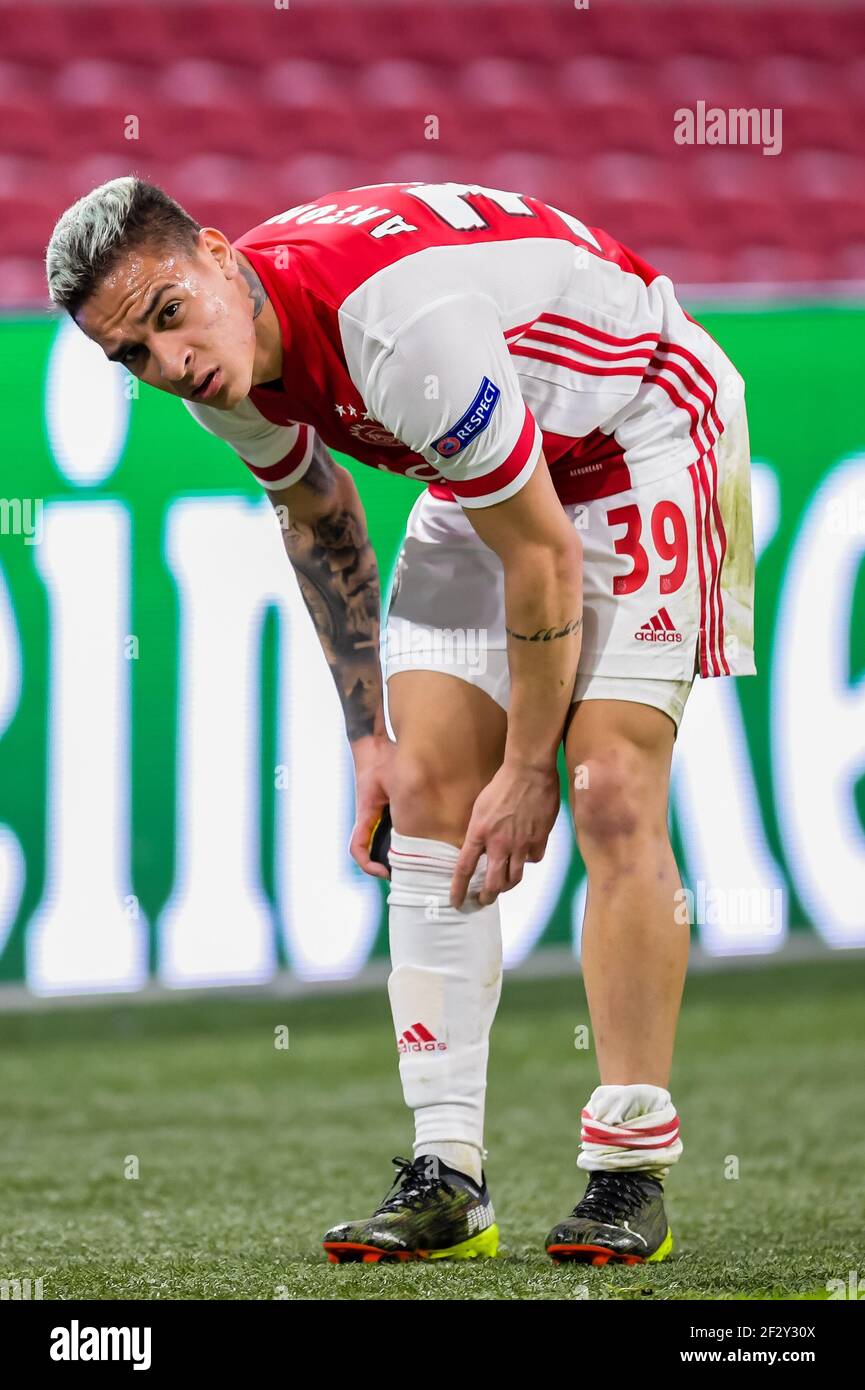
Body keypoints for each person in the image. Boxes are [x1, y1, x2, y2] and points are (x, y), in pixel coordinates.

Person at [46, 176, 755, 1265]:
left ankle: (626, 1170)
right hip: (489, 471)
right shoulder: (218, 361)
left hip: (640, 432)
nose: (167, 362)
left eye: (168, 316)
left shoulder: (400, 325)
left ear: (220, 258)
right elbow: (319, 508)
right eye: (130, 355)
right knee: (423, 788)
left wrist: (528, 767)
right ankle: (447, 1175)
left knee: (606, 785)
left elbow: (543, 554)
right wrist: (367, 738)